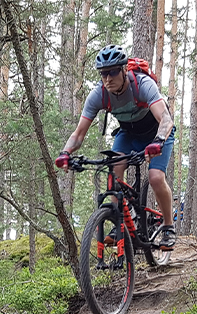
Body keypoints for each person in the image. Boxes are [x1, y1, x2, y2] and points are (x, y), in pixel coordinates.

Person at [55, 45, 177, 249]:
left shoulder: (143, 84)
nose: (108, 78)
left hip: (157, 133)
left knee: (156, 177)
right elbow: (78, 134)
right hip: (128, 134)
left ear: (124, 70)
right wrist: (65, 153)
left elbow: (165, 118)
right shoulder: (98, 95)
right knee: (114, 172)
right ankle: (118, 219)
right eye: (103, 73)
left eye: (112, 72)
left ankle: (168, 226)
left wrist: (159, 140)